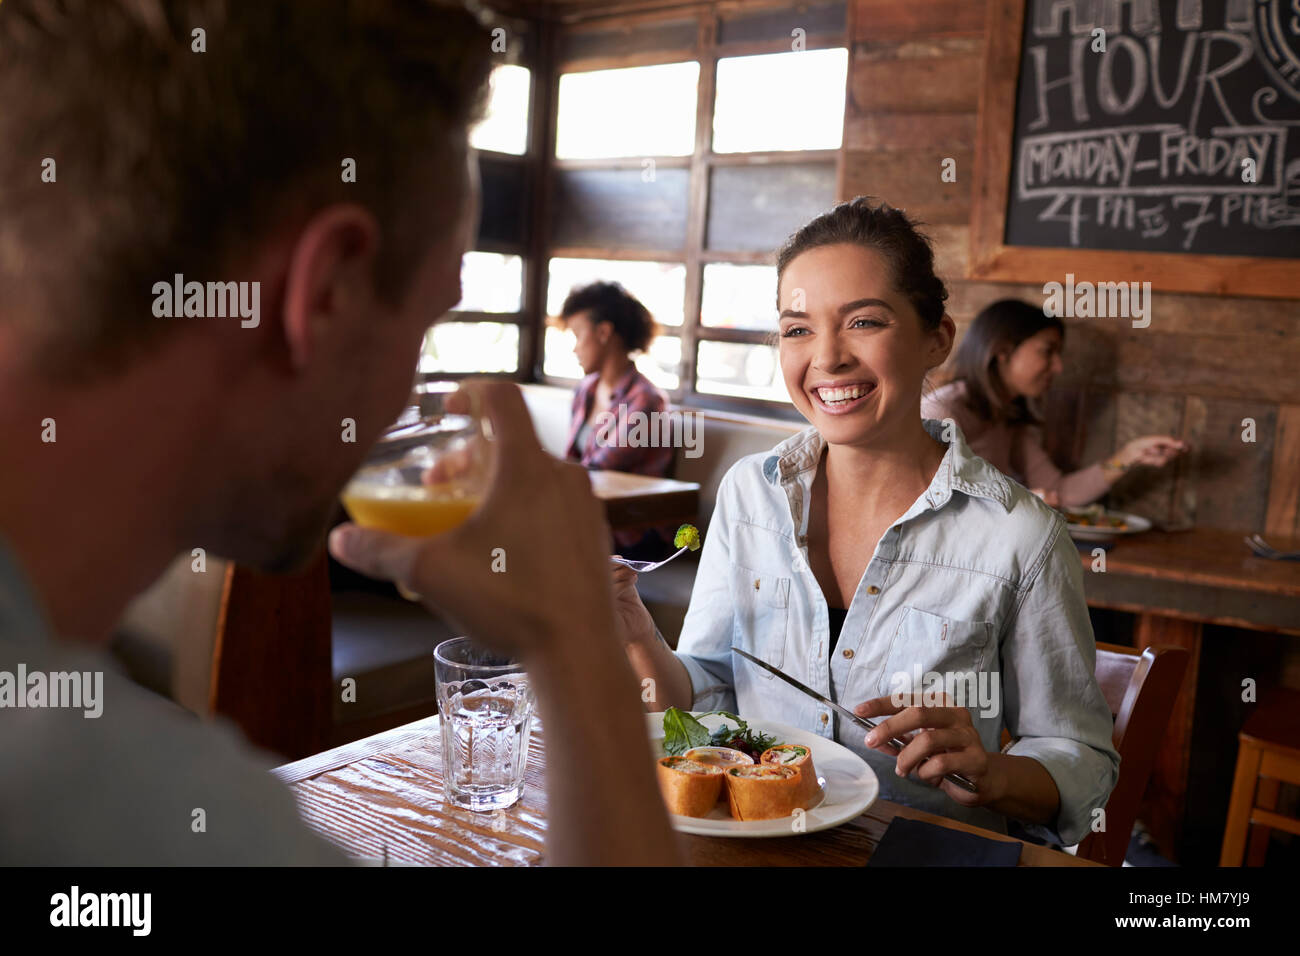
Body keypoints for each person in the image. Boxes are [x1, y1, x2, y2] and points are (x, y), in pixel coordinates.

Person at [0, 0, 676, 867]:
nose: (409, 381)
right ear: (329, 293)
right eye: (425, 325)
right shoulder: (130, 810)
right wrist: (577, 641)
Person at [611, 197, 1119, 847]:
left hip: (924, 852)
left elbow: (1083, 762)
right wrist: (635, 634)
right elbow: (705, 690)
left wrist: (991, 773)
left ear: (937, 338)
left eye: (864, 322)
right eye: (797, 329)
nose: (826, 358)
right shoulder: (749, 494)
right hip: (762, 846)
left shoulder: (1019, 535)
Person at [923, 299, 1187, 508]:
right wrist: (1019, 503)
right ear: (1002, 351)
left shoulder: (1005, 420)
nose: (1058, 367)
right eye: (1047, 351)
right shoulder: (942, 412)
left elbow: (1061, 492)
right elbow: (934, 507)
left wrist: (1129, 456)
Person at [558, 281, 673, 559]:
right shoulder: (585, 390)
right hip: (592, 521)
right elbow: (573, 460)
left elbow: (598, 469)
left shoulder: (645, 400)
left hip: (633, 532)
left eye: (577, 335)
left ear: (603, 332)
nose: (574, 349)